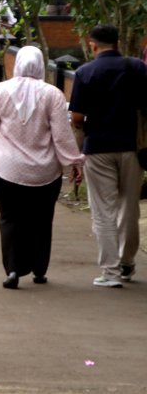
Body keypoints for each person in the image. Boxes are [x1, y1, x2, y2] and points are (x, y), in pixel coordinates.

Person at [0, 46, 84, 289]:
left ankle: (13, 270)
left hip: (6, 168)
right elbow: (61, 135)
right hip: (45, 171)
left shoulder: (0, 91)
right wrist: (73, 162)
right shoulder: (53, 95)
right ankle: (38, 269)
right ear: (40, 65)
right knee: (41, 219)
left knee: (10, 218)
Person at [68, 23, 147, 287]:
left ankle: (111, 272)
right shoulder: (136, 67)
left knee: (103, 212)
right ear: (118, 43)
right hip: (131, 147)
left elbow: (77, 117)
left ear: (92, 45)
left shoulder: (85, 72)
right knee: (129, 207)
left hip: (98, 147)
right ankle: (127, 263)